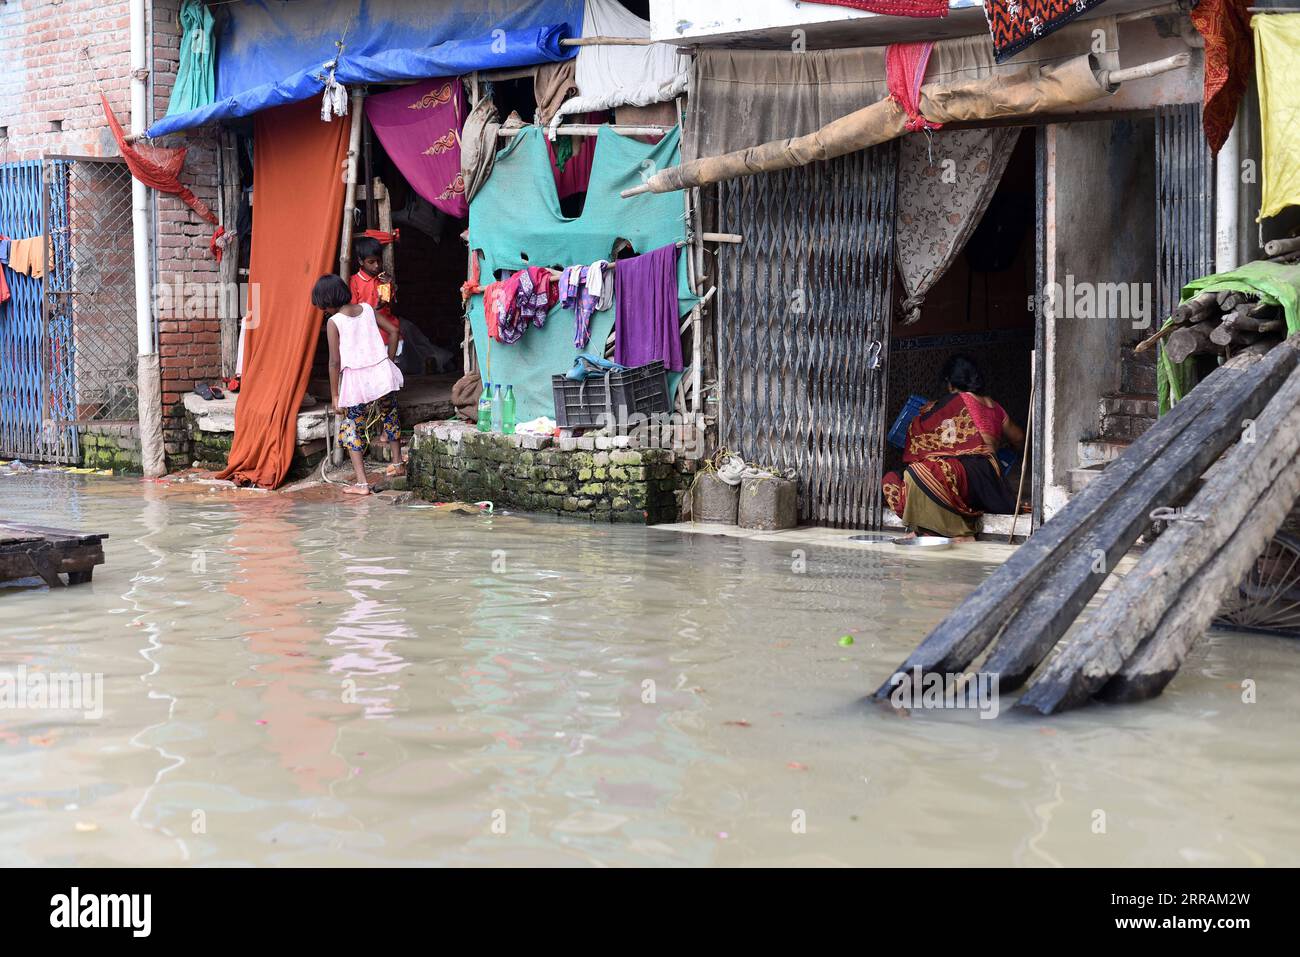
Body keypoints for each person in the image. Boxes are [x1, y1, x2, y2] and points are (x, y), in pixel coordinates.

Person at [882, 354, 1025, 542]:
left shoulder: (956, 400)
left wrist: (926, 415)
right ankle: (933, 529)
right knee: (930, 472)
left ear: (950, 383)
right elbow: (1020, 438)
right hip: (990, 480)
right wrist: (1007, 452)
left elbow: (923, 433)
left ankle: (954, 532)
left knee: (915, 474)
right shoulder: (994, 405)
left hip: (969, 473)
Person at [312, 275, 406, 496]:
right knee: (390, 416)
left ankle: (362, 484)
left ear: (328, 300)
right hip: (382, 375)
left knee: (352, 427)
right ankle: (398, 464)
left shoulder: (334, 322)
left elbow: (334, 362)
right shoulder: (367, 309)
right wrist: (388, 362)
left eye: (322, 305)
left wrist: (335, 395)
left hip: (356, 382)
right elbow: (393, 332)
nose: (322, 310)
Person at [349, 236, 403, 352]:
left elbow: (391, 308)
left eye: (378, 261)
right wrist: (374, 309)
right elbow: (353, 313)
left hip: (389, 336)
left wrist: (390, 286)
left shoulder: (383, 280)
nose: (376, 266)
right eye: (371, 262)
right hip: (367, 338)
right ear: (360, 261)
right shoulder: (354, 282)